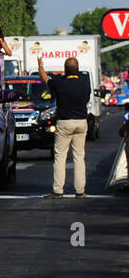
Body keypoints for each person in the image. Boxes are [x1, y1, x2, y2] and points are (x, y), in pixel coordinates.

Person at [39, 56, 91, 197]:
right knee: (79, 157)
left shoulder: (60, 83)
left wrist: (41, 67)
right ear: (78, 69)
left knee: (60, 156)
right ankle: (80, 191)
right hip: (81, 121)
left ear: (65, 69)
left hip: (65, 122)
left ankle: (58, 190)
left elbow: (45, 79)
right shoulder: (85, 84)